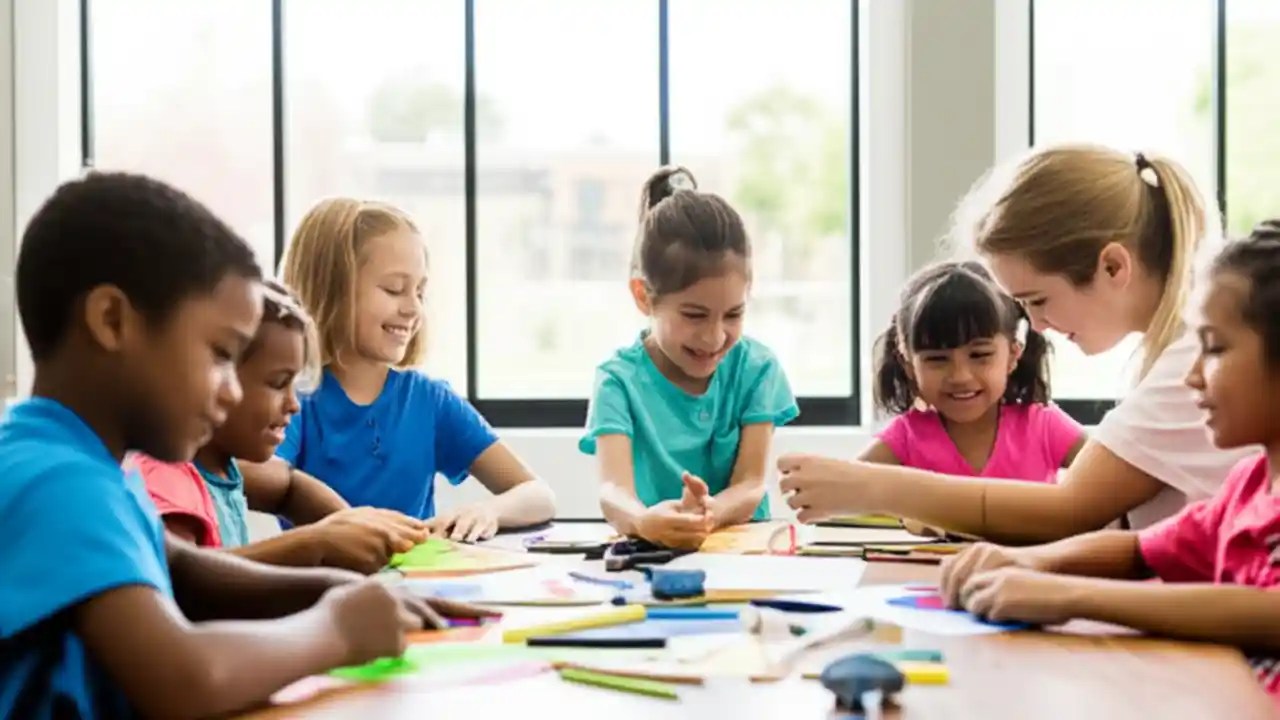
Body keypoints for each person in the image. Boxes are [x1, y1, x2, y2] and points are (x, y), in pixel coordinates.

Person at [0, 173, 483, 719]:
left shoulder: (88, 467)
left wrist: (342, 589)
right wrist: (338, 628)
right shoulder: (57, 480)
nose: (233, 388)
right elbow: (184, 680)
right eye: (220, 353)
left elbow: (188, 572)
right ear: (112, 321)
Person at [780, 144, 1254, 543]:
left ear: (1113, 267)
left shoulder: (1190, 368)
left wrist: (870, 485)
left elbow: (1070, 508)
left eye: (1037, 300)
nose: (1038, 326)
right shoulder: (1173, 357)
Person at [938, 226, 1280, 704]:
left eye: (1215, 348)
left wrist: (1071, 596)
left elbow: (1271, 611)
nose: (1192, 375)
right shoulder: (1250, 485)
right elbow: (1142, 550)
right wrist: (1033, 561)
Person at [259, 197, 555, 542]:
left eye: (420, 292)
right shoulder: (296, 401)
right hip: (322, 589)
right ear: (330, 289)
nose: (413, 307)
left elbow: (538, 495)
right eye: (394, 289)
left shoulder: (431, 400)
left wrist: (488, 510)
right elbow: (265, 479)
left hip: (416, 587)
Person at [137, 281, 429, 572]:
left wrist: (360, 526)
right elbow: (188, 580)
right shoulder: (166, 477)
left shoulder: (221, 467)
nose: (294, 404)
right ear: (213, 379)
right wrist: (316, 544)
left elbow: (289, 486)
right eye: (278, 384)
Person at [582, 166, 799, 550]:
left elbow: (750, 484)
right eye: (694, 316)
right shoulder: (617, 380)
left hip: (745, 554)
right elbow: (613, 490)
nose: (715, 337)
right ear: (643, 297)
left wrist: (710, 513)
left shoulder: (758, 369)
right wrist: (644, 521)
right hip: (653, 555)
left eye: (734, 314)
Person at [863, 260, 1084, 482]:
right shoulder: (903, 440)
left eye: (980, 355)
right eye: (937, 359)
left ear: (1013, 355)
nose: (960, 376)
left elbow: (1117, 482)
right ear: (909, 366)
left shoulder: (1044, 428)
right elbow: (838, 491)